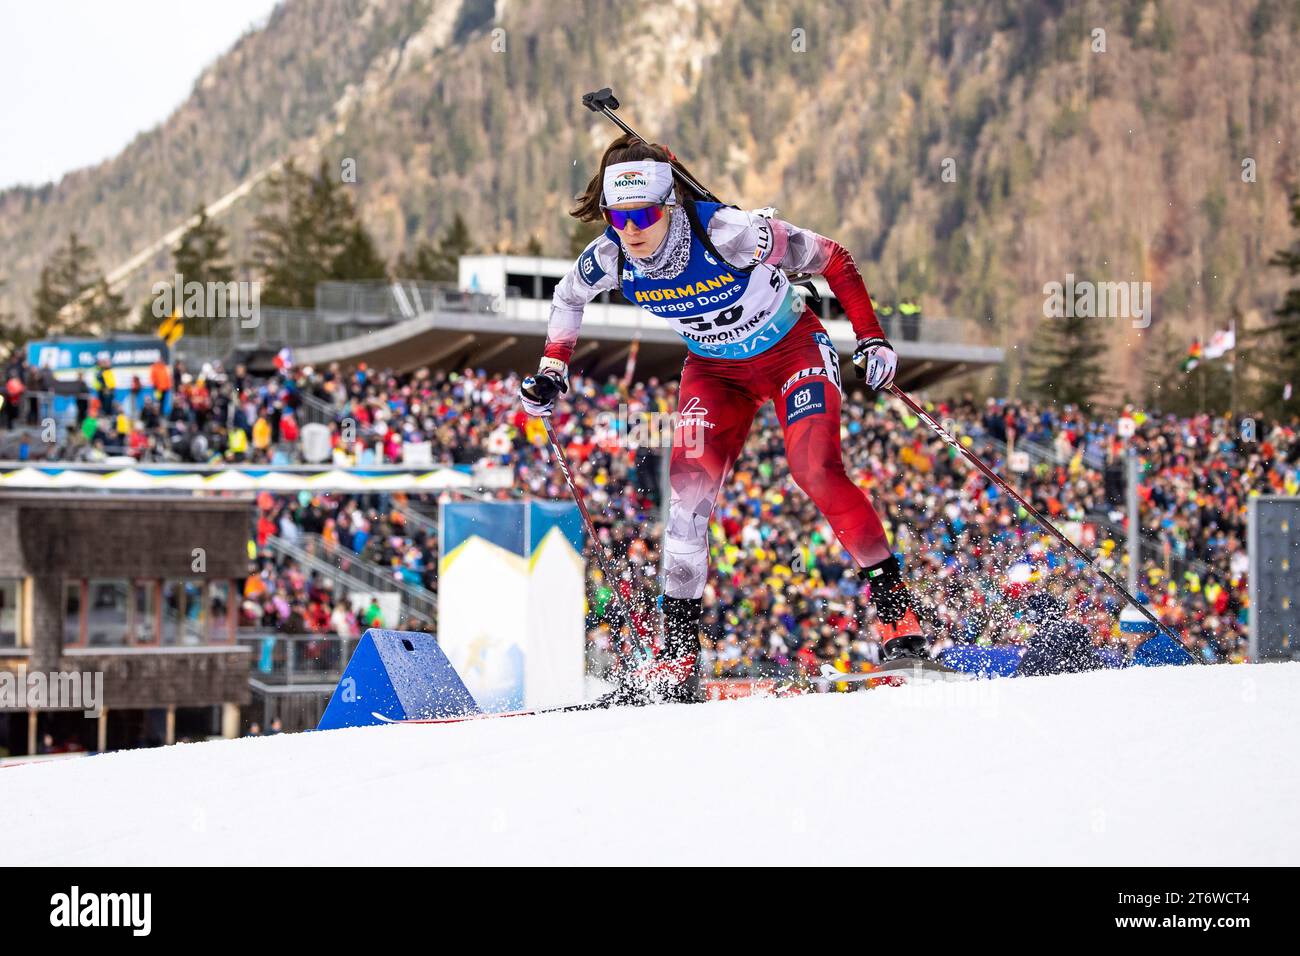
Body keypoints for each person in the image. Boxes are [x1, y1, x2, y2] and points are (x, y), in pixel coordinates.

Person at [520, 134, 925, 704]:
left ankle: (897, 615)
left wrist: (873, 339)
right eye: (617, 216)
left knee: (814, 470)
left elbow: (834, 257)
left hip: (793, 352)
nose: (630, 230)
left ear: (670, 205)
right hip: (715, 373)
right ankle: (679, 657)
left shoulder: (727, 232)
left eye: (643, 214)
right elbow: (567, 299)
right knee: (686, 501)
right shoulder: (610, 254)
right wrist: (552, 369)